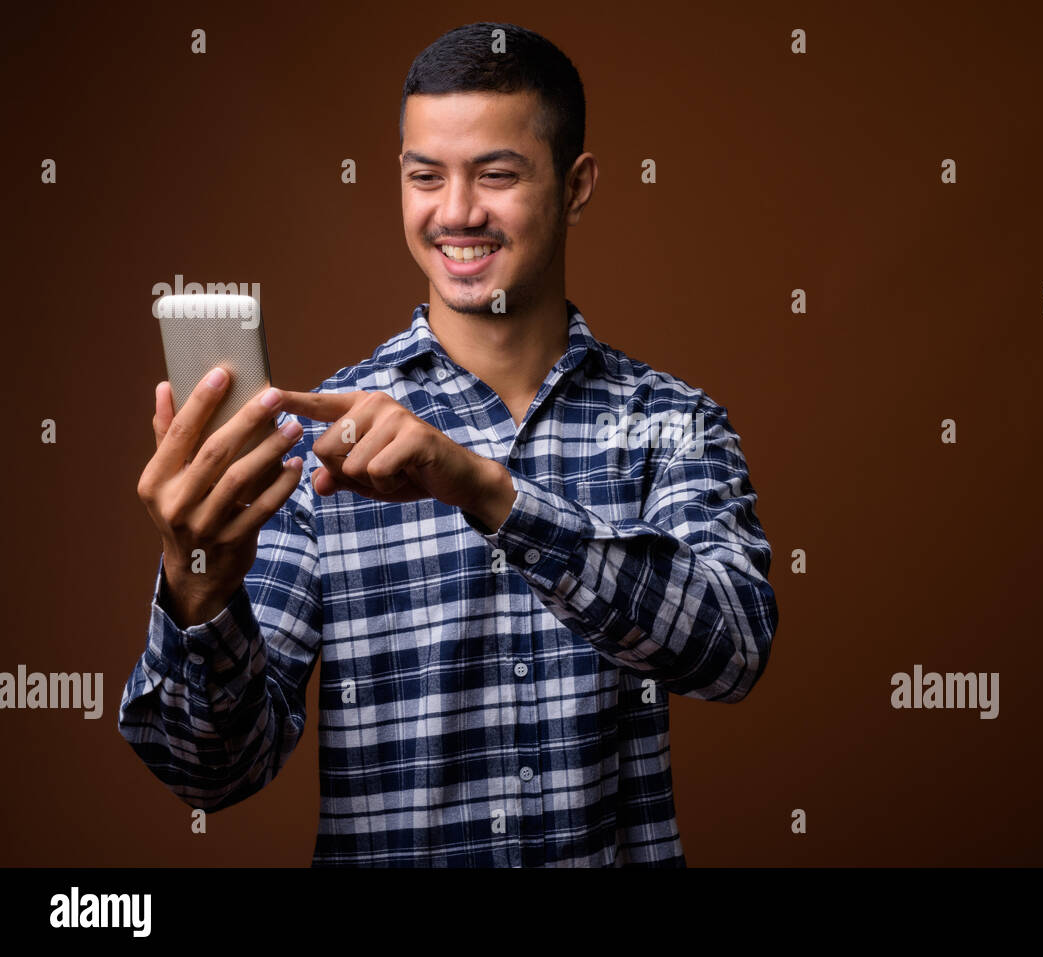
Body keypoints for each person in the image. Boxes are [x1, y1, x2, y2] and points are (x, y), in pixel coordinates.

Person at [121, 21, 777, 867]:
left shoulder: (670, 420)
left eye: (497, 175)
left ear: (576, 187)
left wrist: (487, 490)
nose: (457, 212)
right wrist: (196, 582)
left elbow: (733, 649)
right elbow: (209, 770)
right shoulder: (318, 439)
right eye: (425, 176)